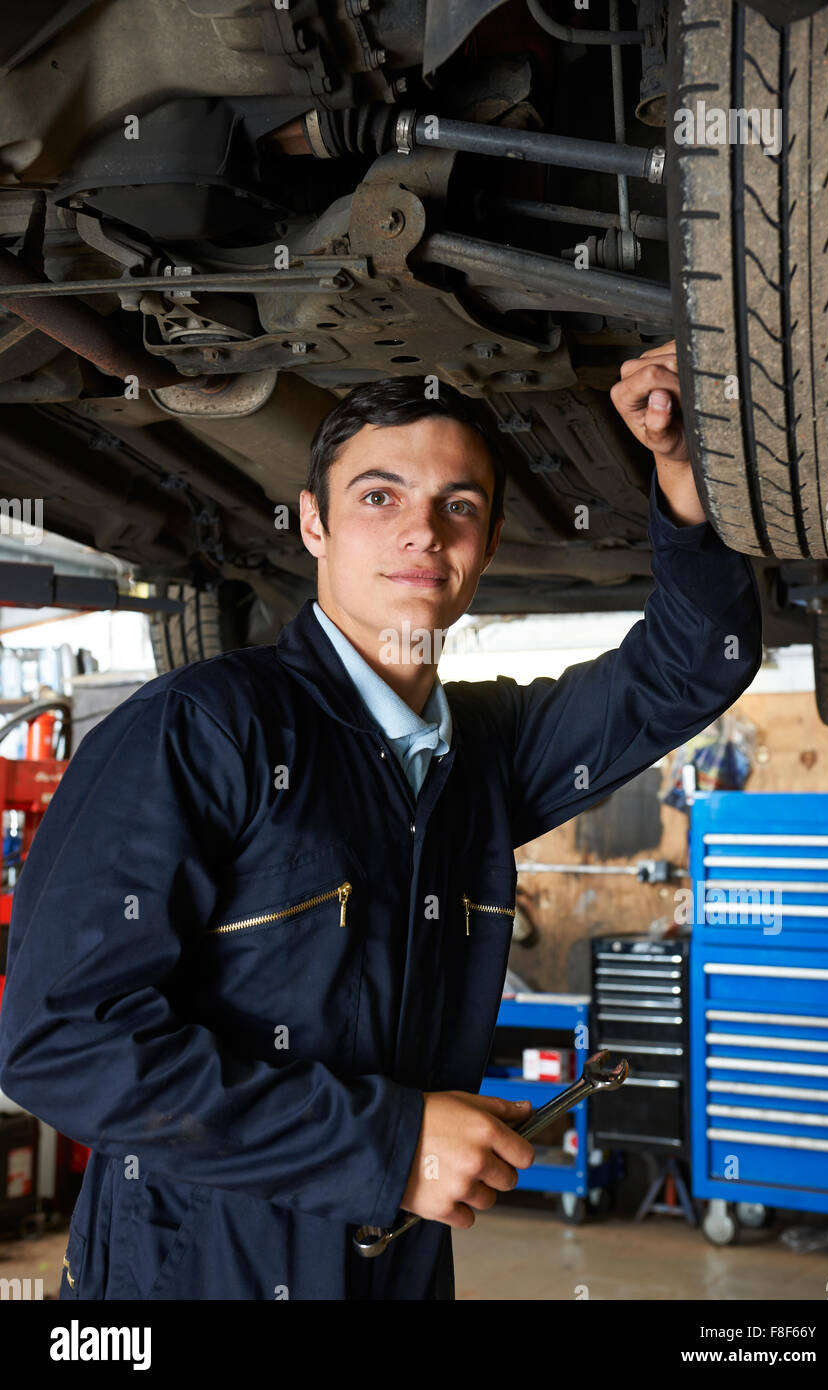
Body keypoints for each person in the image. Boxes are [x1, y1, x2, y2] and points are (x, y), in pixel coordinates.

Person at [0, 341, 762, 1300]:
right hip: (192, 1272)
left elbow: (691, 667)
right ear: (312, 524)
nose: (422, 533)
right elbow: (61, 1039)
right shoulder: (201, 729)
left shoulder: (484, 752)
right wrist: (388, 1144)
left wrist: (687, 472)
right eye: (378, 497)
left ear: (485, 546)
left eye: (460, 507)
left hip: (394, 1266)